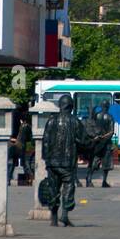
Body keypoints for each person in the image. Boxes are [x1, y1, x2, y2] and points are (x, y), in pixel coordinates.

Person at [41, 94, 89, 226]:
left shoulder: (51, 121)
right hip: (68, 162)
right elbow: (84, 141)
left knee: (53, 188)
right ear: (71, 106)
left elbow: (45, 141)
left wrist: (46, 158)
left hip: (52, 162)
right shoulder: (75, 121)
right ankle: (65, 214)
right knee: (68, 187)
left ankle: (54, 218)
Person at [84, 102, 115, 188]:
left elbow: (91, 126)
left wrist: (96, 137)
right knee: (106, 163)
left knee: (94, 161)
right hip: (106, 142)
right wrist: (104, 137)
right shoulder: (110, 117)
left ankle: (89, 178)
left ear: (101, 106)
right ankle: (104, 181)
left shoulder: (96, 115)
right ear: (108, 107)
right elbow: (111, 131)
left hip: (96, 142)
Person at [16, 115, 33, 183]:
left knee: (26, 161)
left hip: (25, 145)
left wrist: (18, 144)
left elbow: (22, 138)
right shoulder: (28, 126)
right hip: (29, 145)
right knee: (27, 161)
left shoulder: (24, 126)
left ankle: (29, 176)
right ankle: (28, 177)